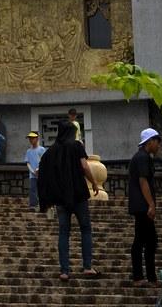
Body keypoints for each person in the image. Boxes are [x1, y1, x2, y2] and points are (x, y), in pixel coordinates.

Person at [37, 120, 99, 281]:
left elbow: (42, 171)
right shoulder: (76, 146)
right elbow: (84, 166)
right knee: (85, 229)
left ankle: (64, 271)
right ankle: (87, 267)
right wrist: (94, 182)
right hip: (78, 195)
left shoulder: (52, 151)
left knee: (64, 232)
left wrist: (47, 197)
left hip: (60, 198)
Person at [128, 127, 162, 287]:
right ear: (150, 142)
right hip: (142, 205)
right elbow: (143, 181)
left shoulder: (142, 157)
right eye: (157, 141)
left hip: (141, 205)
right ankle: (141, 277)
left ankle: (149, 277)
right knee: (143, 241)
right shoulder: (142, 158)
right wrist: (151, 204)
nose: (158, 145)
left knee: (149, 241)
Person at [24, 131, 46, 210]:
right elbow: (28, 162)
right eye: (30, 138)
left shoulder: (42, 149)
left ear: (37, 139)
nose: (30, 140)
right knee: (32, 189)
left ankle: (43, 205)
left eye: (32, 138)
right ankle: (33, 205)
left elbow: (44, 161)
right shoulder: (28, 151)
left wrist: (38, 169)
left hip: (41, 174)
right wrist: (32, 171)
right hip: (32, 175)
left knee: (42, 189)